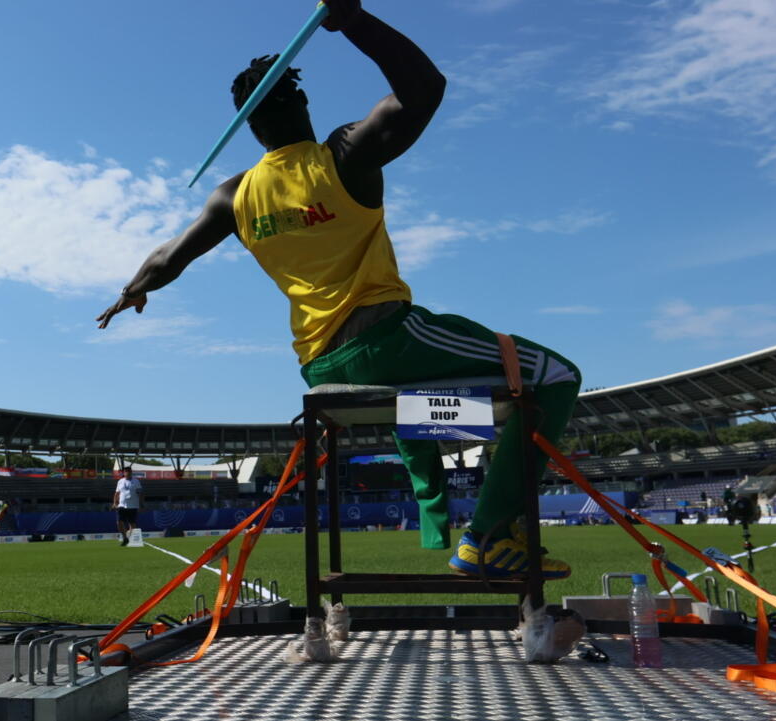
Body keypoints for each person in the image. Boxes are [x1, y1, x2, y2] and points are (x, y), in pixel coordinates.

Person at [97, 0, 579, 579]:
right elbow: (425, 87)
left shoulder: (235, 195)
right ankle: (489, 535)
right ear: (301, 102)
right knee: (553, 376)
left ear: (250, 125)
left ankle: (441, 509)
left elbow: (168, 257)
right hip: (388, 340)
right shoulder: (343, 155)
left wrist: (132, 290)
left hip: (319, 366)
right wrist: (353, 20)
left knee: (441, 408)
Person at [111, 467, 143, 546]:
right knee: (119, 522)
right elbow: (117, 493)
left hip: (133, 505)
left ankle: (128, 538)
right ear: (124, 473)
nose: (127, 473)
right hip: (121, 505)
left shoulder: (136, 481)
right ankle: (125, 537)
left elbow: (140, 493)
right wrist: (115, 503)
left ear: (131, 472)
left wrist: (141, 504)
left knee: (132, 524)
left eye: (129, 471)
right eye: (126, 472)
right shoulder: (120, 481)